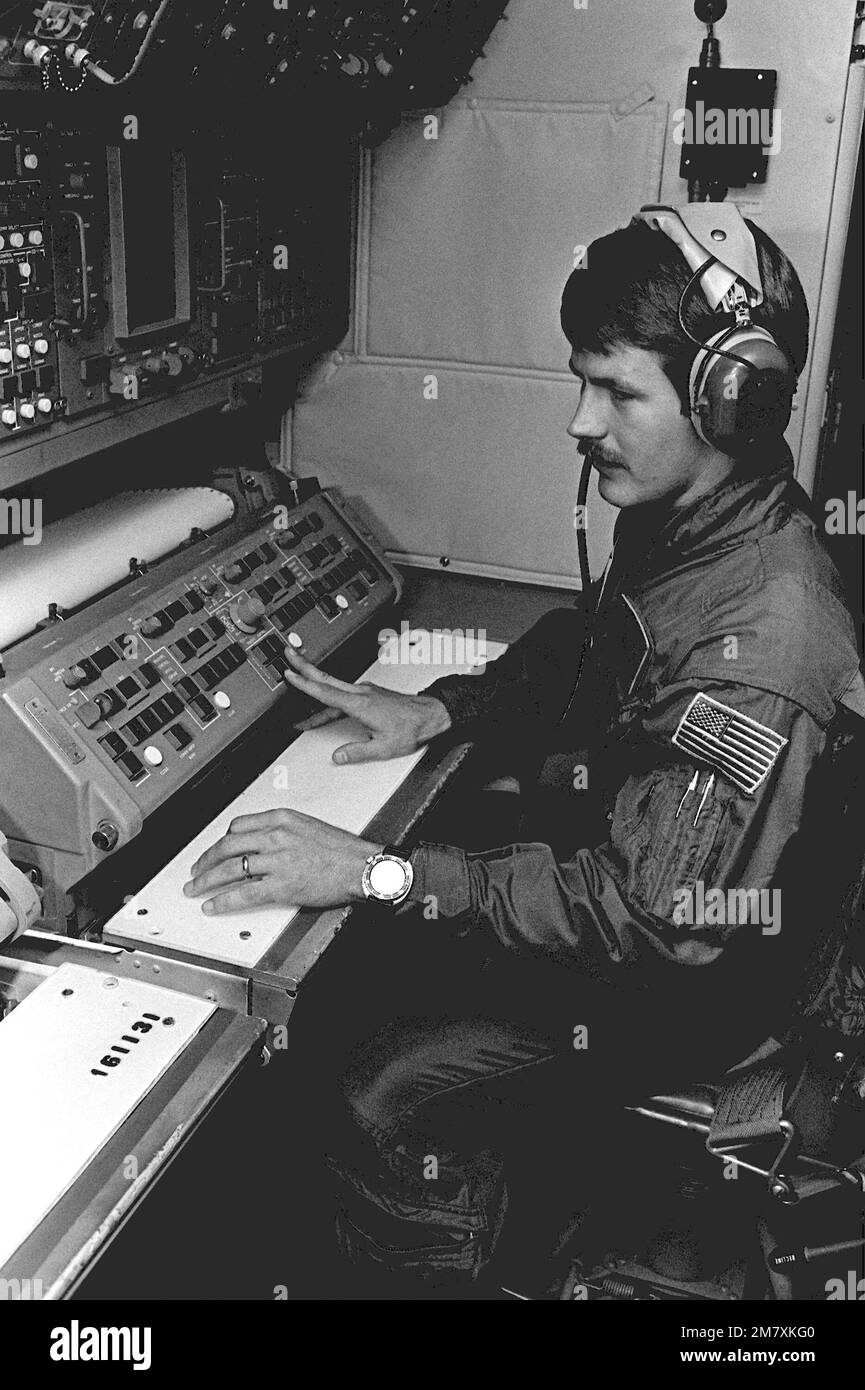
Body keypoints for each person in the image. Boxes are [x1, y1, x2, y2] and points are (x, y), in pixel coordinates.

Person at [182, 208, 865, 1294]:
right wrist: (447, 710)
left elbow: (657, 922)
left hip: (701, 987)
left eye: (618, 392)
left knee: (375, 1083)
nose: (579, 422)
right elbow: (590, 651)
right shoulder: (695, 521)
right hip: (648, 888)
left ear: (726, 403)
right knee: (367, 962)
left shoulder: (766, 641)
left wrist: (378, 870)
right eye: (578, 380)